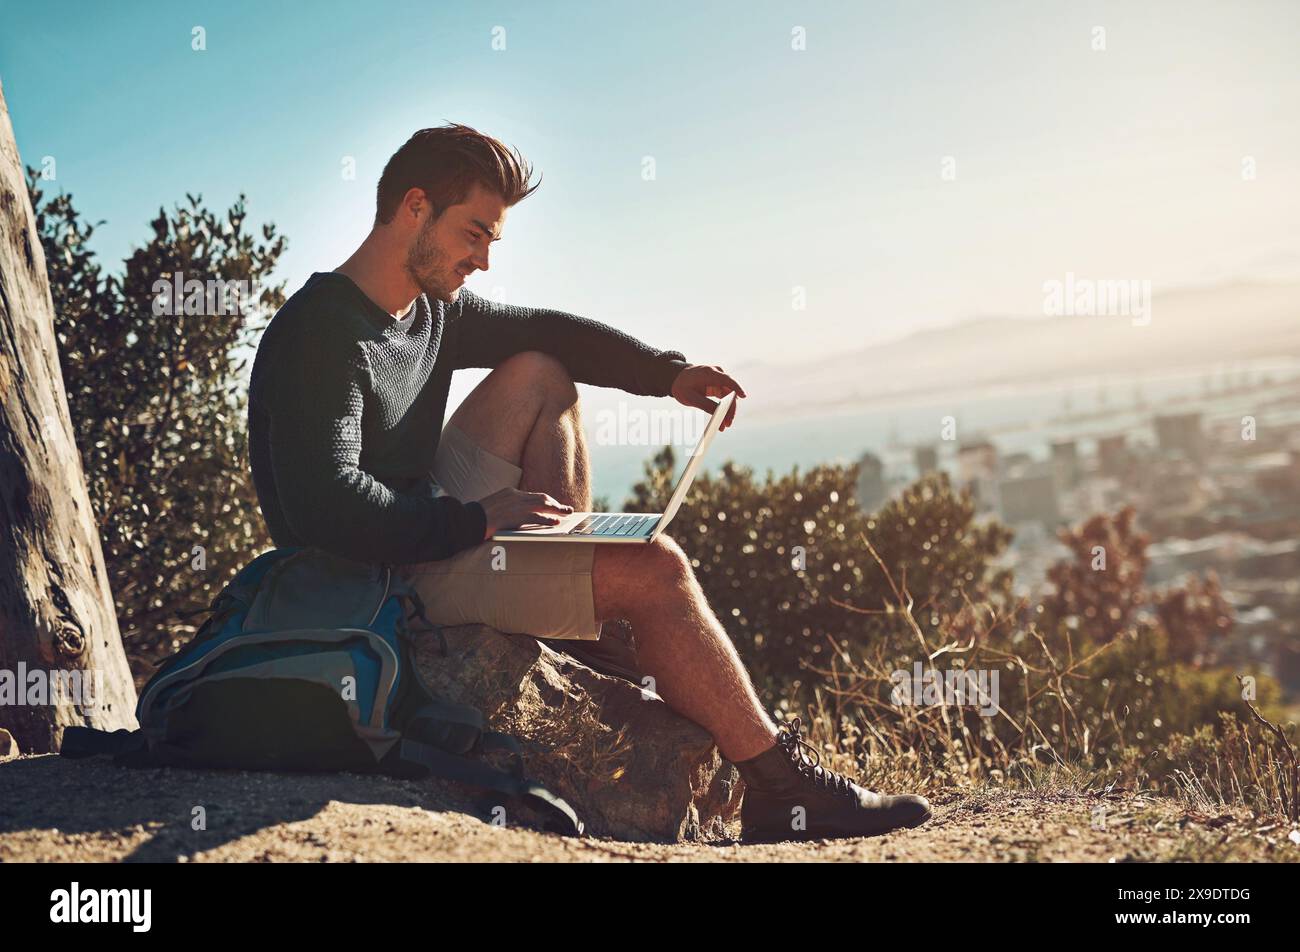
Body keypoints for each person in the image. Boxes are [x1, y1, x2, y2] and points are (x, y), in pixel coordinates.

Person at [248, 123, 931, 841]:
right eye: (474, 233)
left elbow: (548, 330)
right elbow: (327, 507)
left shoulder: (428, 310)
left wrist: (667, 374)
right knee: (654, 568)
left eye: (491, 241)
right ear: (414, 207)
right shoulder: (323, 336)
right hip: (373, 581)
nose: (482, 259)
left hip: (420, 519)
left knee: (541, 372)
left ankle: (574, 622)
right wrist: (474, 520)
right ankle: (781, 789)